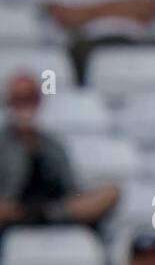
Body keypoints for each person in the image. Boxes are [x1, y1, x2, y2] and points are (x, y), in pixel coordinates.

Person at [0, 72, 121, 232]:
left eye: (29, 99)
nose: (24, 107)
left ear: (38, 102)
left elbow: (71, 190)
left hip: (54, 210)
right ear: (10, 103)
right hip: (13, 211)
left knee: (111, 192)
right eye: (19, 100)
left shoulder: (53, 146)